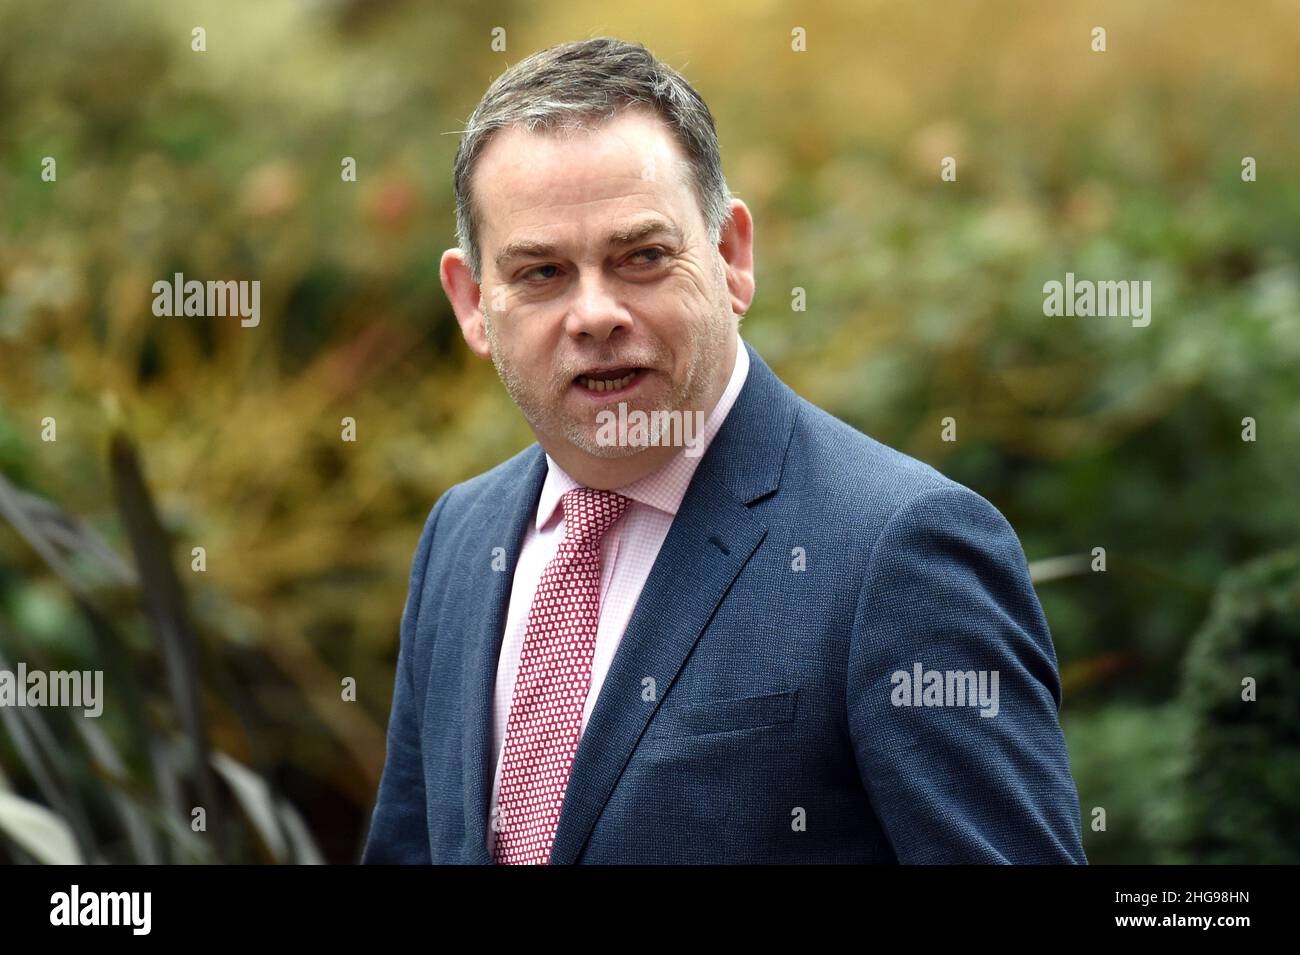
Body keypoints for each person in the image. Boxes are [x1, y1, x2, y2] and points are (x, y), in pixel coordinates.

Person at [361, 36, 1086, 864]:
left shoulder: (900, 549)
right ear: (471, 301)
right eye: (541, 273)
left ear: (733, 257)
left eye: (641, 257)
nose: (594, 313)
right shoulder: (462, 536)